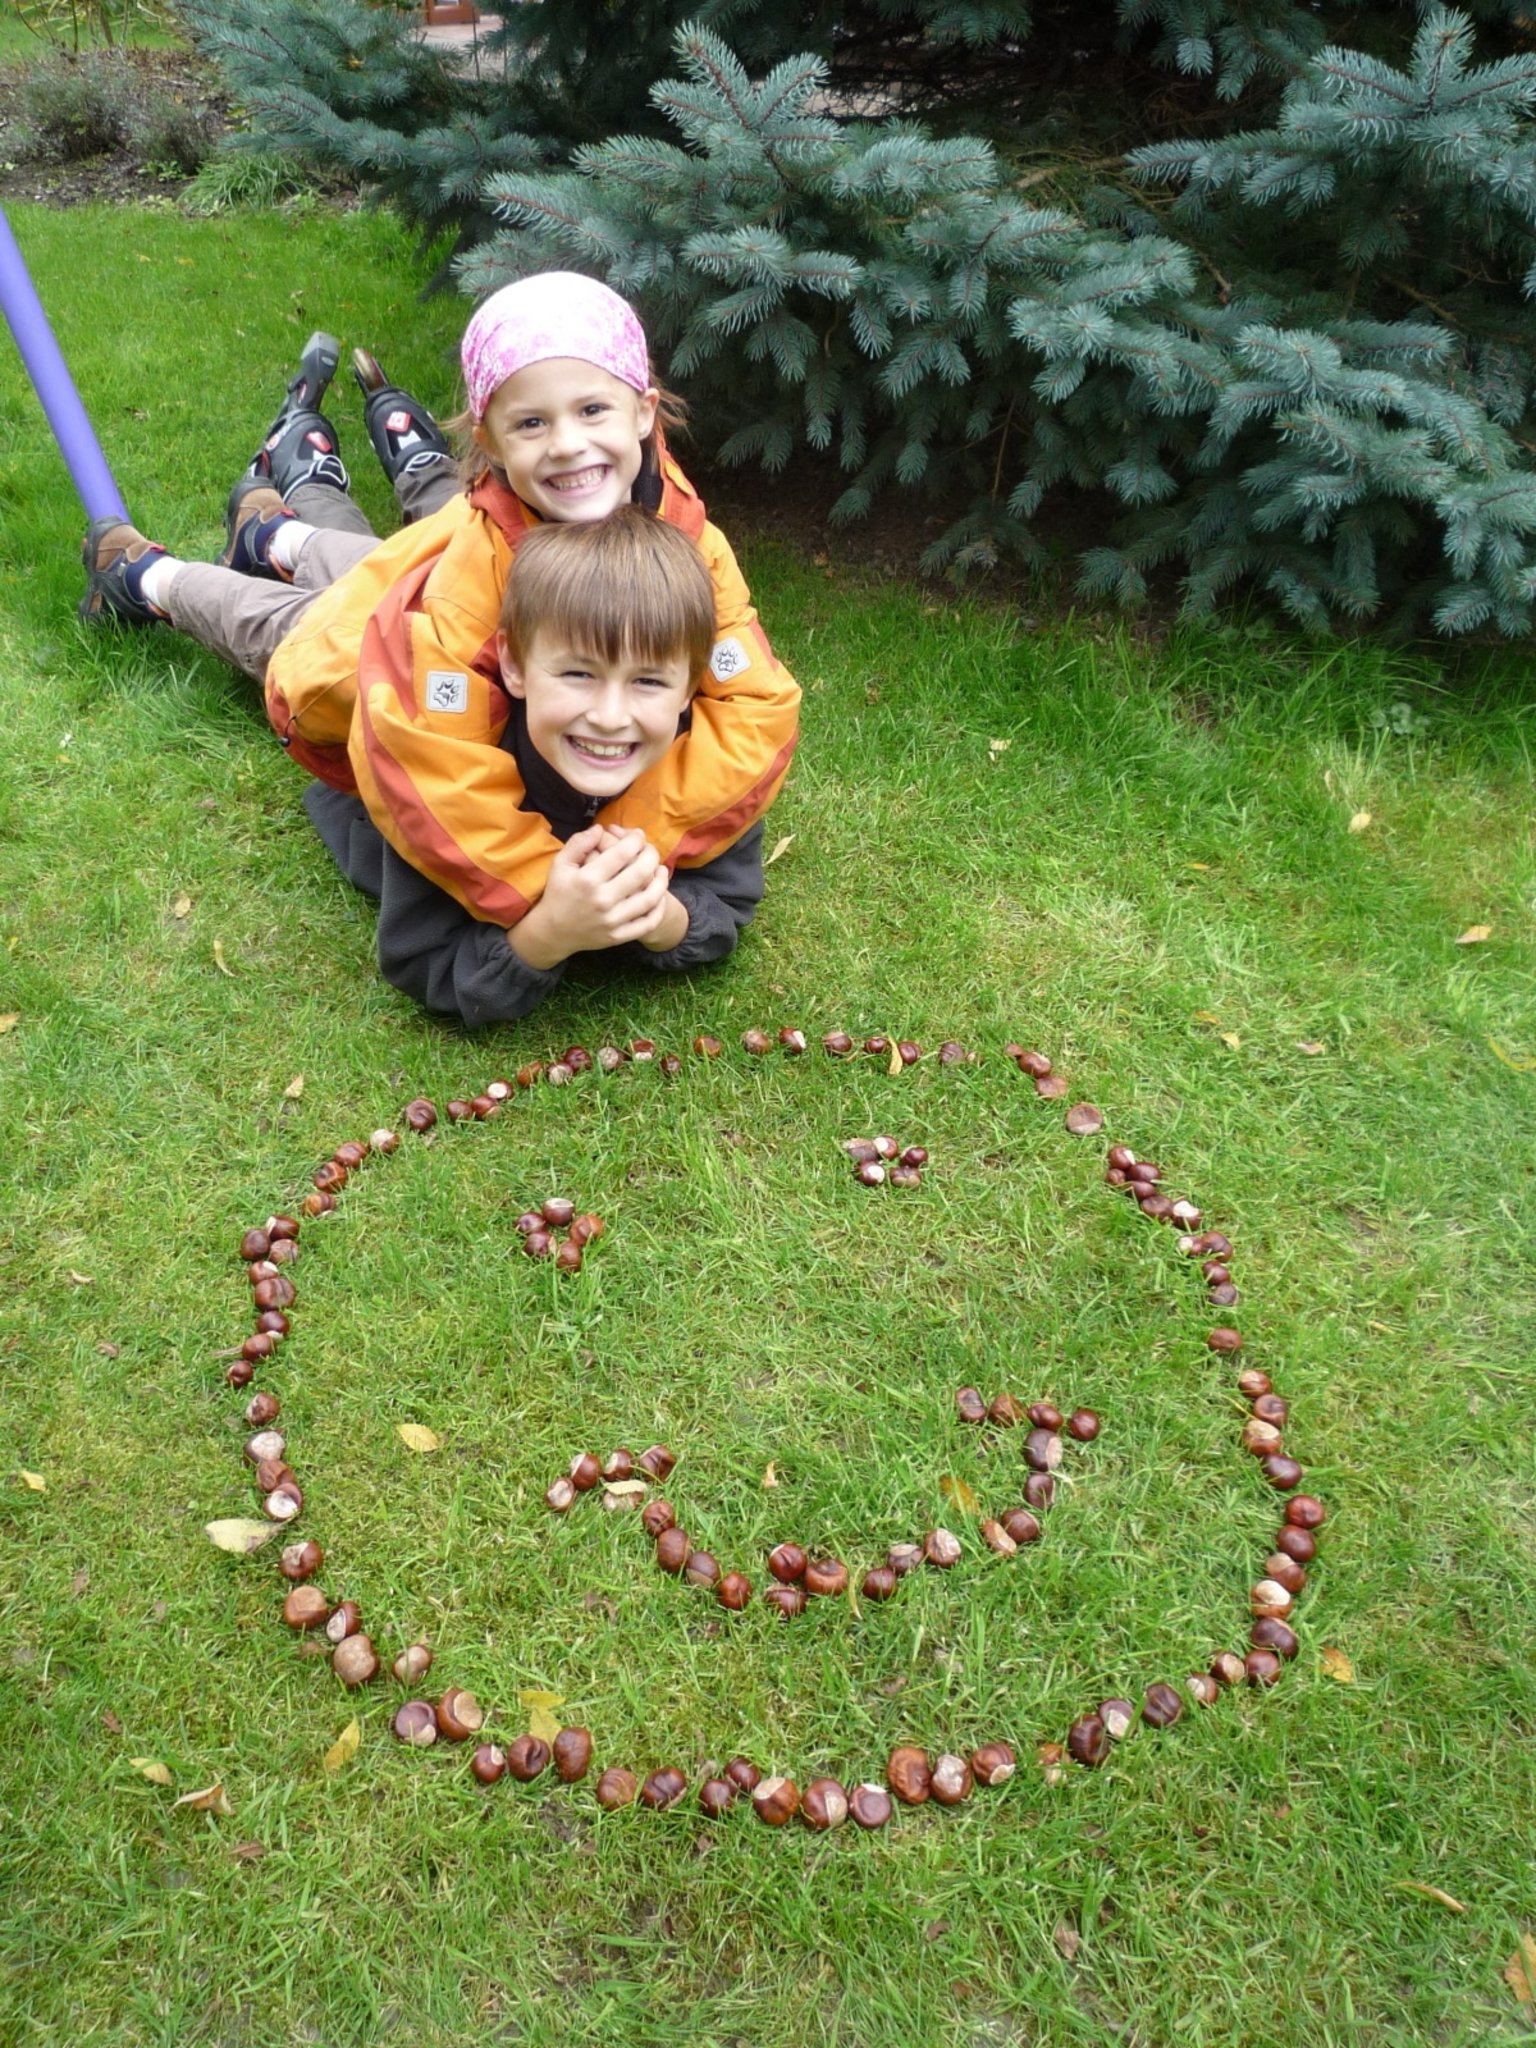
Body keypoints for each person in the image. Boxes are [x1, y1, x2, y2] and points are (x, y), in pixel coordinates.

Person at [78, 272, 799, 1010]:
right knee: (301, 631)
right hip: (380, 651)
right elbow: (432, 766)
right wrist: (551, 889)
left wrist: (636, 849)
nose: (570, 446)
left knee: (375, 560)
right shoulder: (469, 581)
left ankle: (273, 531)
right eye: (532, 425)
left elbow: (749, 703)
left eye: (591, 410)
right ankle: (149, 579)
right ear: (489, 442)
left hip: (430, 561)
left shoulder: (683, 535)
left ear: (644, 413)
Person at [304, 508, 767, 1024]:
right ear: (515, 666)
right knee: (292, 612)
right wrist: (552, 932)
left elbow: (729, 902)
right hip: (346, 648)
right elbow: (425, 963)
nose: (611, 718)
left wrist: (661, 918)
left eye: (649, 682)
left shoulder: (706, 765)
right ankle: (253, 545)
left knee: (366, 549)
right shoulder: (450, 775)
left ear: (690, 685)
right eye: (577, 673)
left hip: (428, 586)